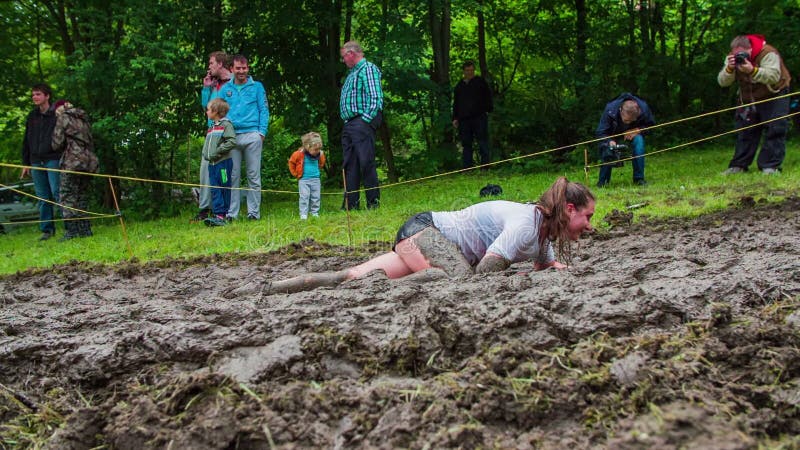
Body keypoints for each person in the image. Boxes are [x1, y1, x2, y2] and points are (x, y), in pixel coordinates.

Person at [268, 177, 595, 294]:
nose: (590, 226)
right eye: (588, 216)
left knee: (353, 276)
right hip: (427, 232)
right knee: (459, 280)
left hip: (426, 237)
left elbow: (544, 262)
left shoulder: (542, 232)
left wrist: (550, 268)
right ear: (568, 208)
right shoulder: (527, 224)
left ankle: (272, 289)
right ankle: (382, 289)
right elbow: (485, 272)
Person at [718, 34, 791, 175]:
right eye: (737, 54)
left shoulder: (768, 53)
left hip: (774, 93)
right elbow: (722, 82)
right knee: (745, 131)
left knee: (775, 128)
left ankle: (770, 167)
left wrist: (752, 70)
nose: (741, 57)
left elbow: (773, 76)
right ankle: (738, 165)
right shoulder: (731, 58)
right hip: (749, 98)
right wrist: (729, 69)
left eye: (744, 54)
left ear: (750, 49)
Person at [219, 54, 269, 221]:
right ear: (232, 69)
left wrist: (261, 132)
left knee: (253, 175)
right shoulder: (225, 89)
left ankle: (253, 213)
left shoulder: (257, 87)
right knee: (233, 175)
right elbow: (219, 112)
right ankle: (232, 214)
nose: (241, 71)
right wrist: (223, 132)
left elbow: (264, 110)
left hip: (252, 135)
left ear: (248, 68)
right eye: (238, 68)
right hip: (232, 136)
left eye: (244, 68)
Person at [339, 41, 383, 210]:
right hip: (350, 123)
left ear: (351, 54)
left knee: (366, 162)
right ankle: (352, 204)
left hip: (361, 121)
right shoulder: (352, 73)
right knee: (350, 164)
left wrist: (365, 120)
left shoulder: (368, 69)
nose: (343, 60)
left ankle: (373, 203)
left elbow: (375, 97)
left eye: (344, 57)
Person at [51, 100, 100, 241]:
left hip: (72, 161)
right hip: (88, 161)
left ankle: (72, 232)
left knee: (67, 195)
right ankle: (85, 229)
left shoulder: (63, 117)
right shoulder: (83, 118)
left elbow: (56, 143)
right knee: (82, 195)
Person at [194, 51, 233, 222]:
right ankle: (204, 208)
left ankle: (225, 210)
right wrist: (206, 88)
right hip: (211, 133)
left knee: (224, 174)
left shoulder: (233, 83)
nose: (209, 67)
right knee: (206, 170)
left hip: (225, 134)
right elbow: (206, 107)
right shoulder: (214, 85)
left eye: (211, 63)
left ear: (220, 64)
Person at [21, 83, 61, 241]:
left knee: (57, 193)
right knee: (42, 197)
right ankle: (47, 230)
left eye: (38, 94)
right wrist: (26, 163)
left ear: (47, 96)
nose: (34, 97)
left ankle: (69, 226)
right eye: (33, 95)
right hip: (36, 161)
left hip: (53, 159)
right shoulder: (32, 116)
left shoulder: (56, 114)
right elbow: (26, 141)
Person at [595, 93, 655, 187]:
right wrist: (610, 140)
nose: (628, 123)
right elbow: (601, 132)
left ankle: (639, 179)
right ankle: (603, 182)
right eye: (626, 121)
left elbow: (651, 126)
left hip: (634, 134)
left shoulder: (644, 109)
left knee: (639, 142)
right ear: (620, 111)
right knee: (608, 147)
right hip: (612, 135)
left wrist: (638, 130)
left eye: (631, 121)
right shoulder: (610, 109)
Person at [201, 98, 237, 227]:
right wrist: (206, 155)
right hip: (212, 165)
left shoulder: (226, 125)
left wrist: (218, 152)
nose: (207, 112)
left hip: (223, 164)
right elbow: (207, 145)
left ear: (215, 111)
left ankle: (224, 215)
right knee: (214, 189)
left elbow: (232, 141)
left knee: (224, 187)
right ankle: (218, 215)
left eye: (208, 109)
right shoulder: (211, 127)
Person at [452, 60, 493, 169]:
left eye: (471, 70)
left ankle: (485, 166)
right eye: (467, 70)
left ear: (474, 70)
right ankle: (467, 167)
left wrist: (488, 110)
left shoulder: (480, 82)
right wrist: (455, 118)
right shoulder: (459, 86)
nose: (469, 72)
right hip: (464, 119)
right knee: (466, 144)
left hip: (479, 117)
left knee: (482, 142)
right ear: (464, 71)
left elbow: (488, 97)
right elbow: (456, 103)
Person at [288, 131, 326, 220]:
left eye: (319, 149)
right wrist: (295, 173)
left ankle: (314, 212)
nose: (317, 151)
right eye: (315, 150)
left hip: (316, 179)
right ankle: (303, 214)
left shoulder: (320, 154)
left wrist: (318, 169)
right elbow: (291, 162)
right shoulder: (298, 154)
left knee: (316, 196)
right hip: (303, 180)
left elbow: (321, 163)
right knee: (304, 196)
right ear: (308, 147)